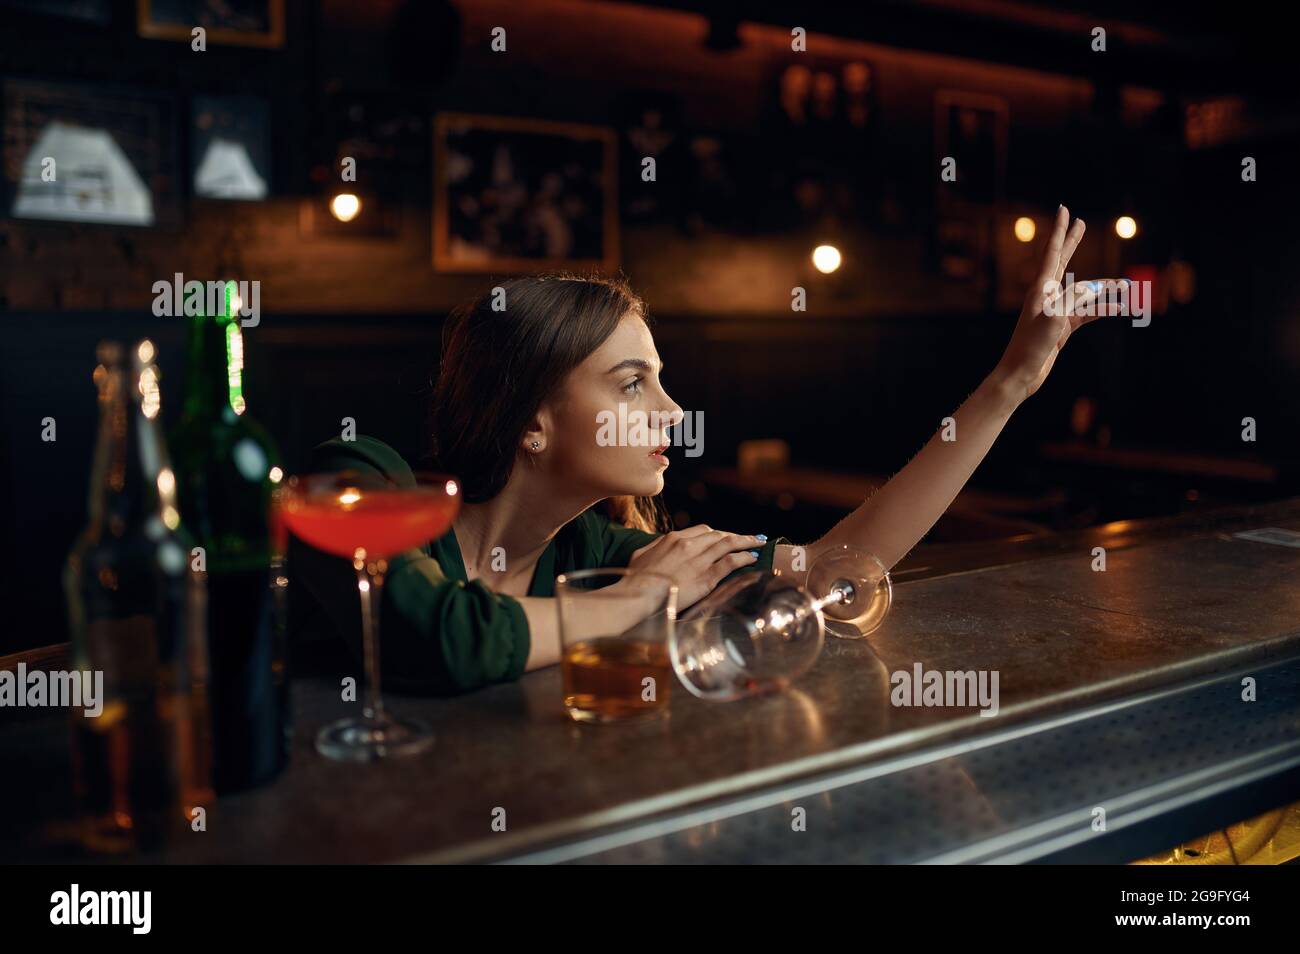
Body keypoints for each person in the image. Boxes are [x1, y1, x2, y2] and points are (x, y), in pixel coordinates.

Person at [293, 206, 1120, 694]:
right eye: (630, 384)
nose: (672, 410)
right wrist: (636, 602)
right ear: (531, 422)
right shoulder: (360, 477)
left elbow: (838, 567)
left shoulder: (600, 550)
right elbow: (438, 639)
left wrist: (1011, 383)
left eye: (663, 380)